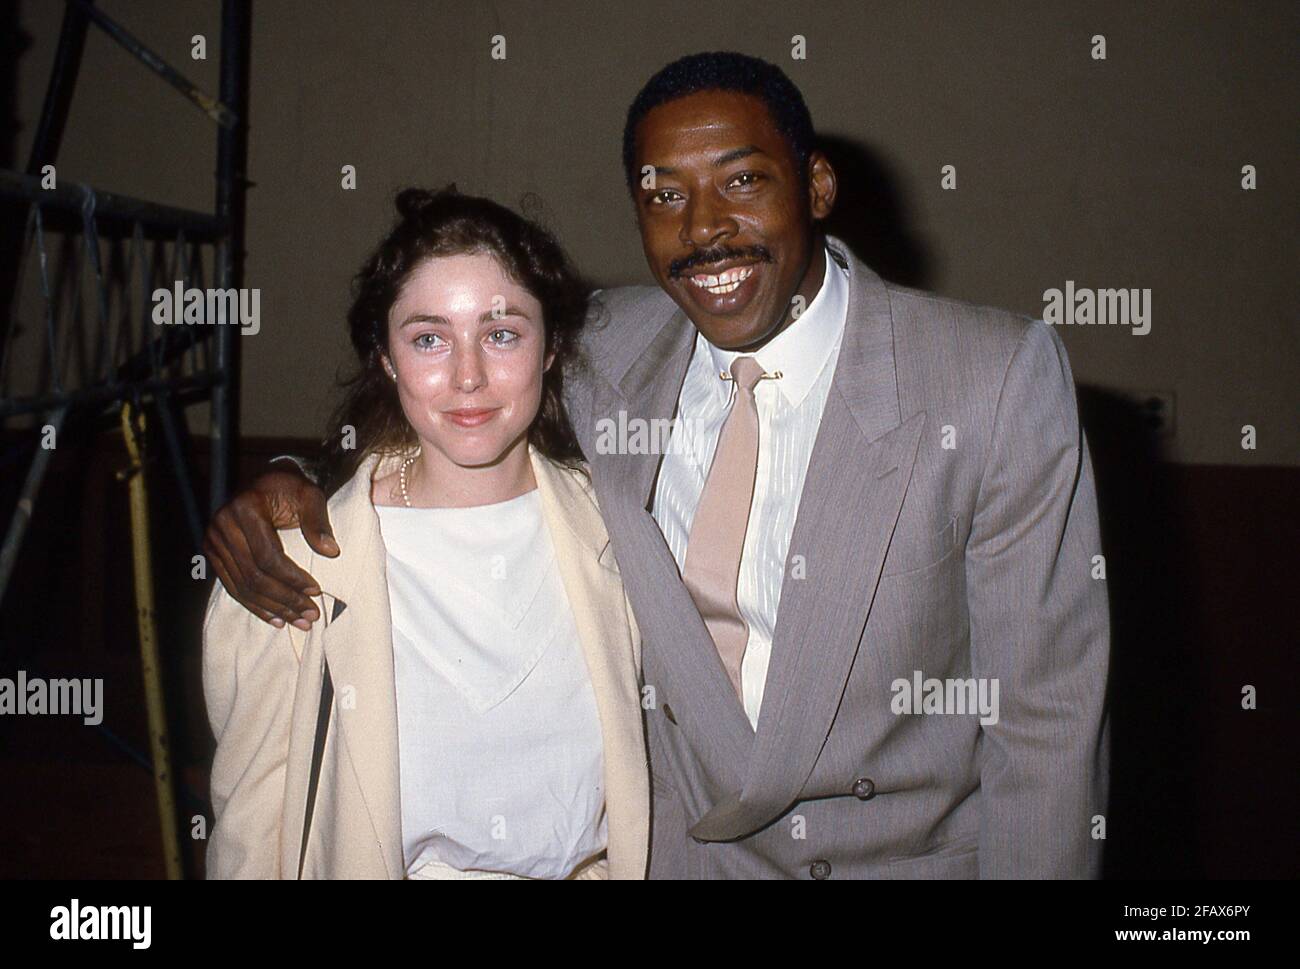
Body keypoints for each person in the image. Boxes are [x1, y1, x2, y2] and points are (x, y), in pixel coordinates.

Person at [206, 52, 1110, 879]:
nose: (706, 229)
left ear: (818, 185)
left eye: (743, 181)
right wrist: (291, 474)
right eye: (664, 195)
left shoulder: (988, 378)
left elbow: (1046, 728)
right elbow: (458, 396)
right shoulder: (611, 349)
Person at [202, 187, 648, 879]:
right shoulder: (292, 563)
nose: (468, 376)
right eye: (429, 337)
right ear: (386, 357)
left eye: (502, 333)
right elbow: (254, 827)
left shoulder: (623, 532)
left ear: (551, 346)